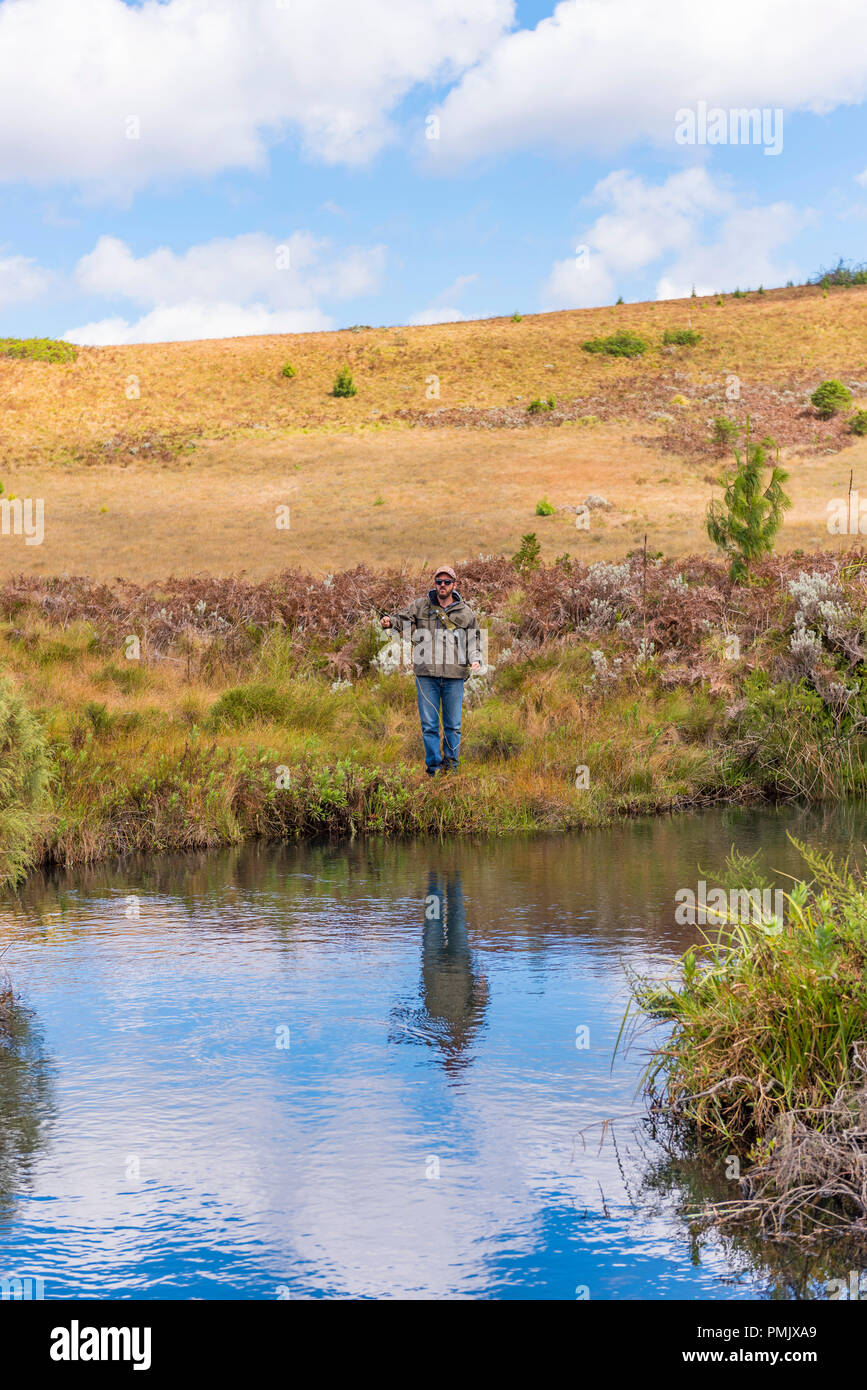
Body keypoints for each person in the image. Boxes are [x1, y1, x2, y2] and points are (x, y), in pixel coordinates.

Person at [381, 565, 481, 776]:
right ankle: (434, 769)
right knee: (429, 726)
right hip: (426, 675)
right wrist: (389, 622)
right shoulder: (420, 606)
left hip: (454, 676)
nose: (442, 585)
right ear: (435, 584)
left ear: (454, 584)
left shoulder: (465, 612)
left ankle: (452, 768)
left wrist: (476, 660)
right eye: (439, 582)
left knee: (453, 726)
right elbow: (402, 620)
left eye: (446, 582)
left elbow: (474, 640)